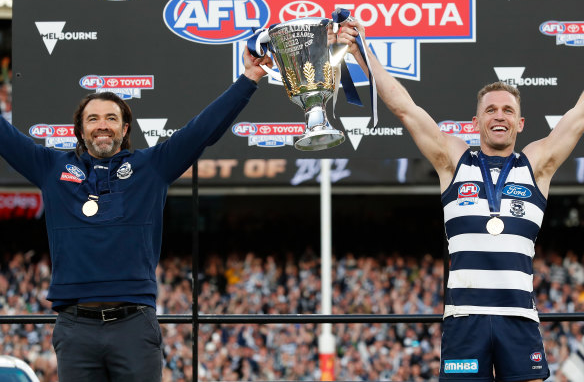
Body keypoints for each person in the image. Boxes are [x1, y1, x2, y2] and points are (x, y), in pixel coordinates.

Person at [0, 47, 272, 382]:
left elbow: (203, 129)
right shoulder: (51, 167)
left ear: (125, 128)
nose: (103, 126)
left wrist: (250, 78)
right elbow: (4, 136)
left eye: (112, 118)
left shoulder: (152, 166)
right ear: (80, 130)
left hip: (134, 326)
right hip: (74, 328)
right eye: (93, 119)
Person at [333, 20, 584, 382]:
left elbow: (577, 117)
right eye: (491, 109)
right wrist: (360, 51)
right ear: (476, 121)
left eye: (508, 110)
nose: (499, 115)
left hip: (519, 318)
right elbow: (405, 108)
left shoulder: (537, 164)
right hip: (465, 319)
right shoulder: (453, 159)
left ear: (521, 123)